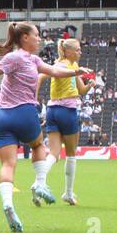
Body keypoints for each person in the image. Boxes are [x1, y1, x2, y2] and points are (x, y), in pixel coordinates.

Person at [0, 22, 92, 233]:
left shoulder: (12, 58)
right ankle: (39, 183)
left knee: (8, 164)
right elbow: (54, 71)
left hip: (1, 116)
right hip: (24, 112)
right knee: (38, 147)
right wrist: (76, 72)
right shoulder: (27, 58)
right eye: (36, 35)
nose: (39, 39)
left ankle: (8, 203)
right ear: (25, 38)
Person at [39, 38, 92, 205]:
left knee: (54, 153)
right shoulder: (61, 66)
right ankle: (68, 193)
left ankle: (39, 182)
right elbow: (41, 76)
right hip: (67, 111)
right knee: (71, 154)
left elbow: (81, 90)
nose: (80, 52)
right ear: (68, 51)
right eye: (77, 50)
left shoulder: (73, 67)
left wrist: (90, 85)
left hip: (52, 111)